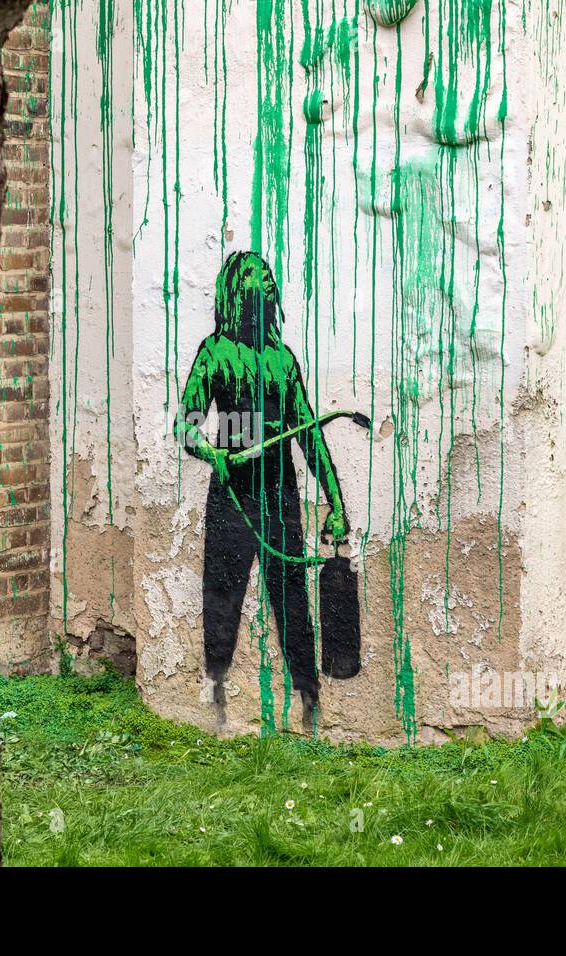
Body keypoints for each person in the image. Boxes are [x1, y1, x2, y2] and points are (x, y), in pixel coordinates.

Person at [176, 251, 348, 730]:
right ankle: (214, 692)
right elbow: (185, 426)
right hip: (231, 496)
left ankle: (309, 698)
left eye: (267, 275)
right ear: (235, 289)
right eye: (253, 275)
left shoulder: (281, 360)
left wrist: (335, 503)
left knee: (292, 598)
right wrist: (215, 455)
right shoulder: (214, 353)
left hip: (279, 495)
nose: (264, 282)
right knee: (222, 598)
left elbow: (309, 437)